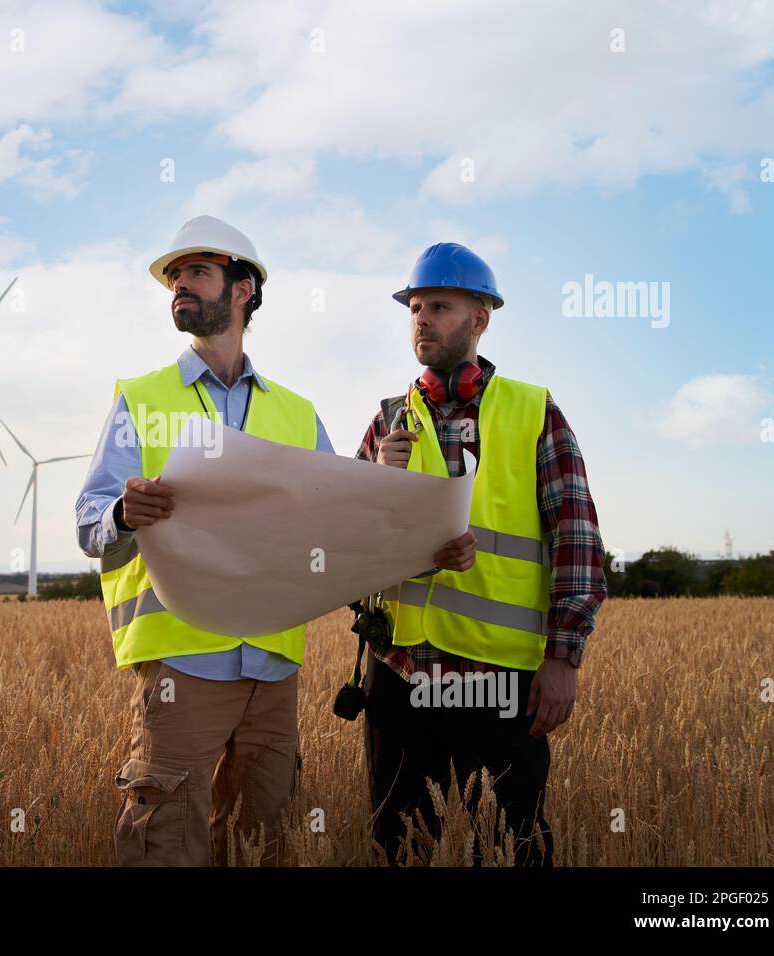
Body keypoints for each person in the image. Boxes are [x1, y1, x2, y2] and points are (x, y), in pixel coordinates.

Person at [75, 215, 478, 866]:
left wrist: (423, 543)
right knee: (164, 843)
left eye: (196, 271)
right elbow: (89, 520)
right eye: (174, 276)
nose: (179, 284)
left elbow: (342, 528)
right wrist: (123, 512)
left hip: (273, 671)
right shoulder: (140, 398)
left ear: (243, 290)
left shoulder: (295, 412)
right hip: (182, 666)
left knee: (260, 847)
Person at [356, 242, 607, 866]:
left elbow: (575, 539)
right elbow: (342, 555)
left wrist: (563, 658)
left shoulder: (533, 412)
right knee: (403, 847)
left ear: (480, 319)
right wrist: (377, 488)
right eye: (414, 308)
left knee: (511, 844)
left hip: (499, 683)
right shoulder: (387, 423)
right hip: (400, 673)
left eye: (438, 306)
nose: (421, 319)